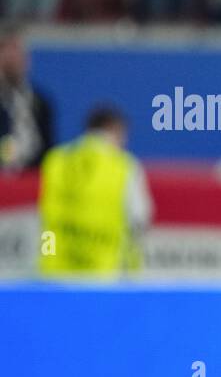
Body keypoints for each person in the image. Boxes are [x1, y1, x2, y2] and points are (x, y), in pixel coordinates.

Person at [38, 105, 152, 274]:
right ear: (115, 129)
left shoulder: (55, 160)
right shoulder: (124, 166)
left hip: (55, 268)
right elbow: (140, 217)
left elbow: (43, 213)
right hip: (104, 272)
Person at [0, 23, 54, 172]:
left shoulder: (40, 101)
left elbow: (48, 146)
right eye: (7, 52)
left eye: (18, 52)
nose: (14, 58)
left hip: (32, 175)